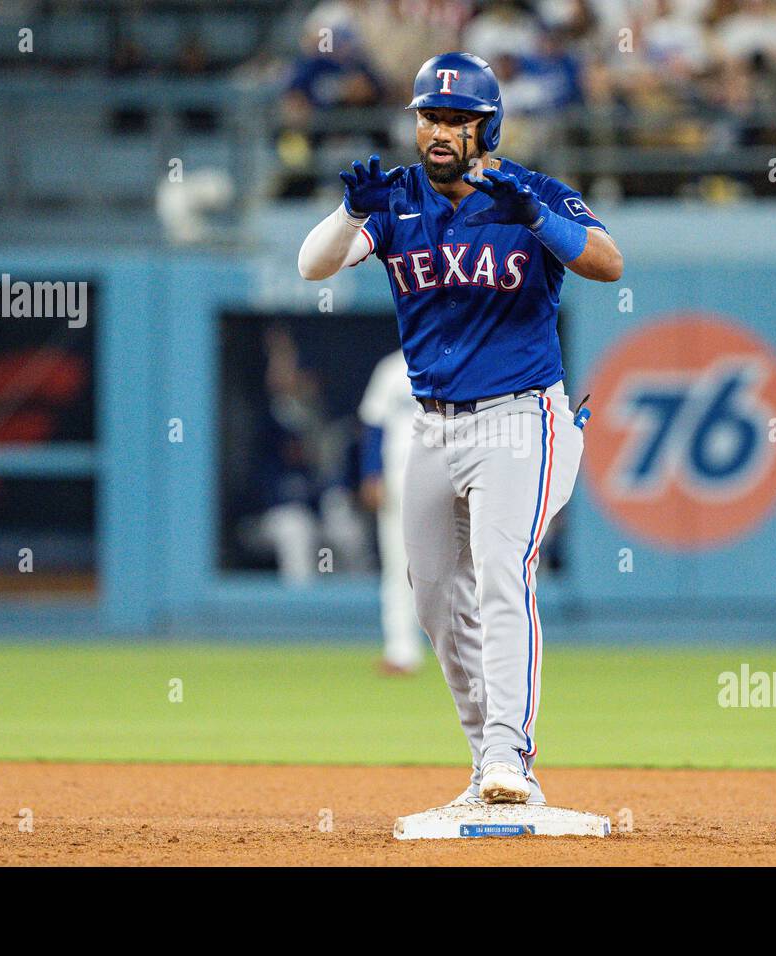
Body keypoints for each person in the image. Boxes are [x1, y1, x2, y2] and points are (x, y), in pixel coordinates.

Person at [298, 52, 622, 806]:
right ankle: (488, 765)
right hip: (432, 425)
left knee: (502, 571)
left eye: (456, 119)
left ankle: (511, 752)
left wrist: (538, 219)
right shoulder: (397, 199)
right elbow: (314, 266)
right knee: (435, 595)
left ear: (488, 127)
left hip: (520, 417)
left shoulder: (531, 192)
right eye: (429, 116)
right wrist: (350, 212)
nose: (438, 130)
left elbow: (608, 262)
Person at [358, 349, 427, 675]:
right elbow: (373, 427)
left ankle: (470, 654)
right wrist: (371, 474)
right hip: (398, 481)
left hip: (450, 479)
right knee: (399, 569)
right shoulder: (391, 368)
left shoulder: (463, 359)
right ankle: (401, 651)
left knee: (464, 571)